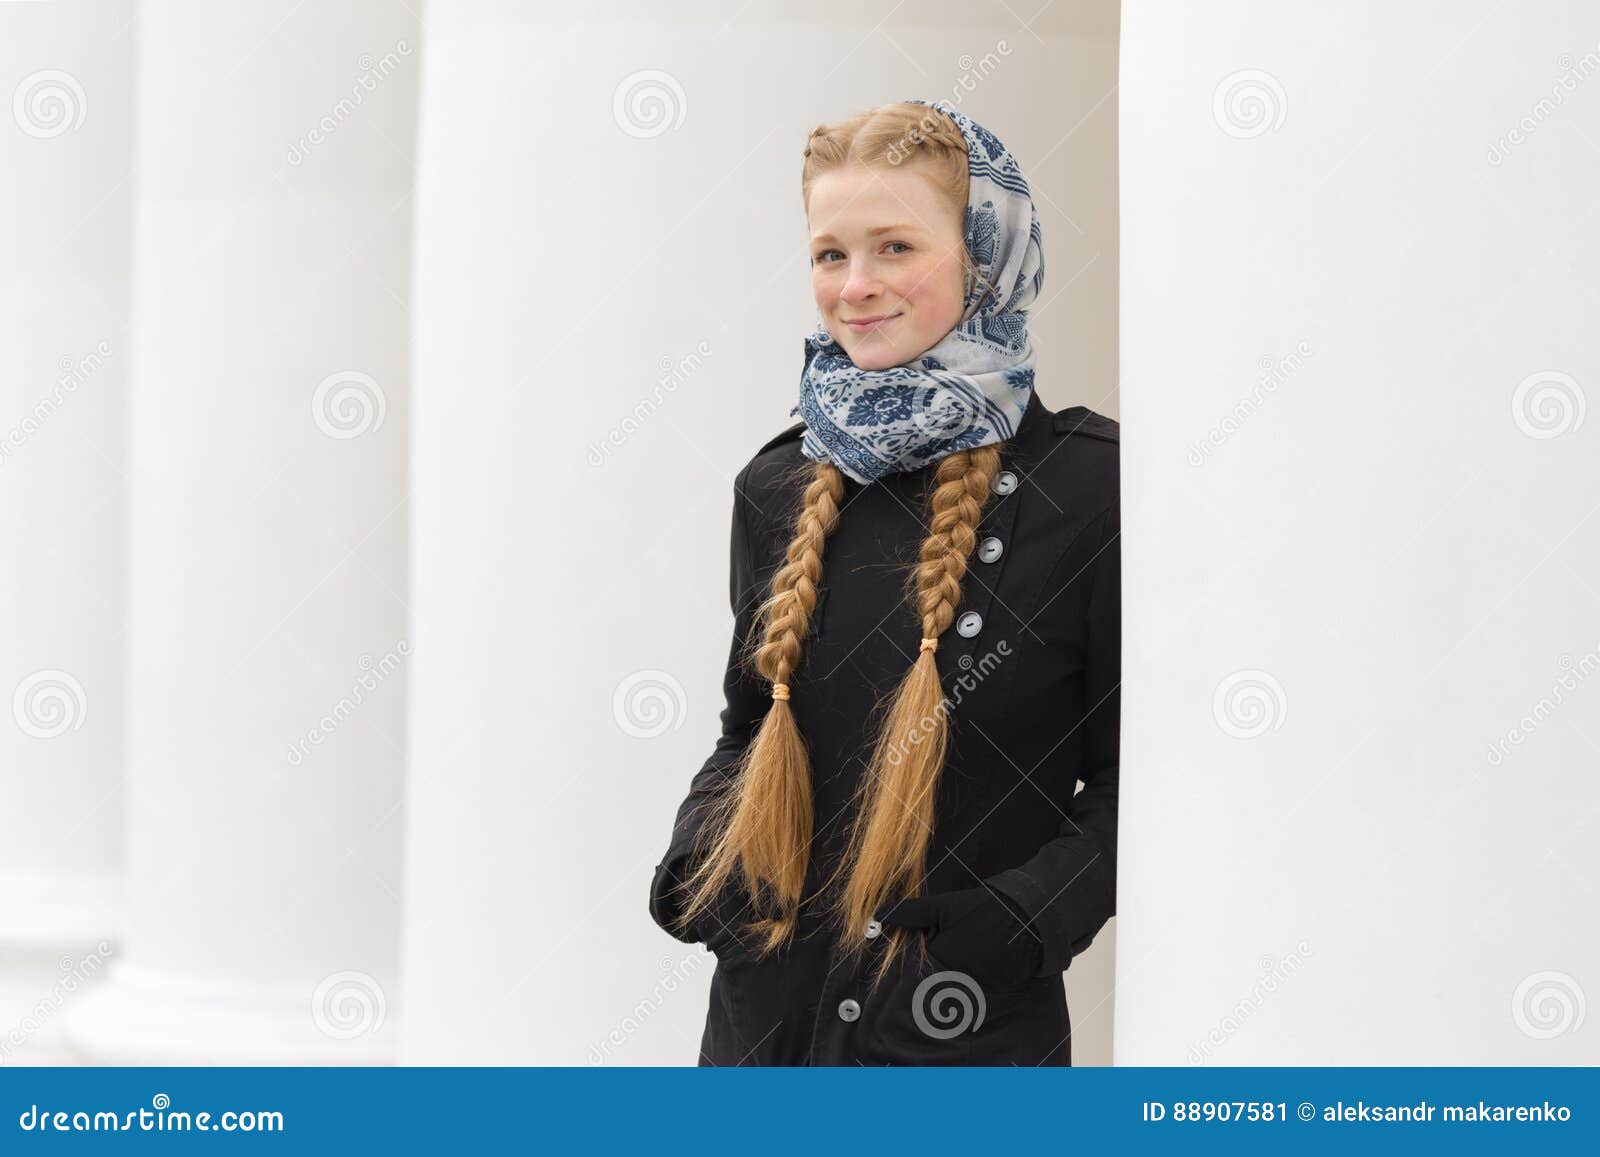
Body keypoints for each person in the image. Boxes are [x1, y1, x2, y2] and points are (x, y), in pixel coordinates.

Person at [647, 98, 1120, 1066]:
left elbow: (1138, 783)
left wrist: (1020, 917)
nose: (855, 286)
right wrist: (703, 861)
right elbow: (748, 724)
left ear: (985, 256)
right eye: (830, 253)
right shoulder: (776, 483)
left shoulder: (1091, 487)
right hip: (762, 1029)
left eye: (895, 246)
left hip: (961, 1036)